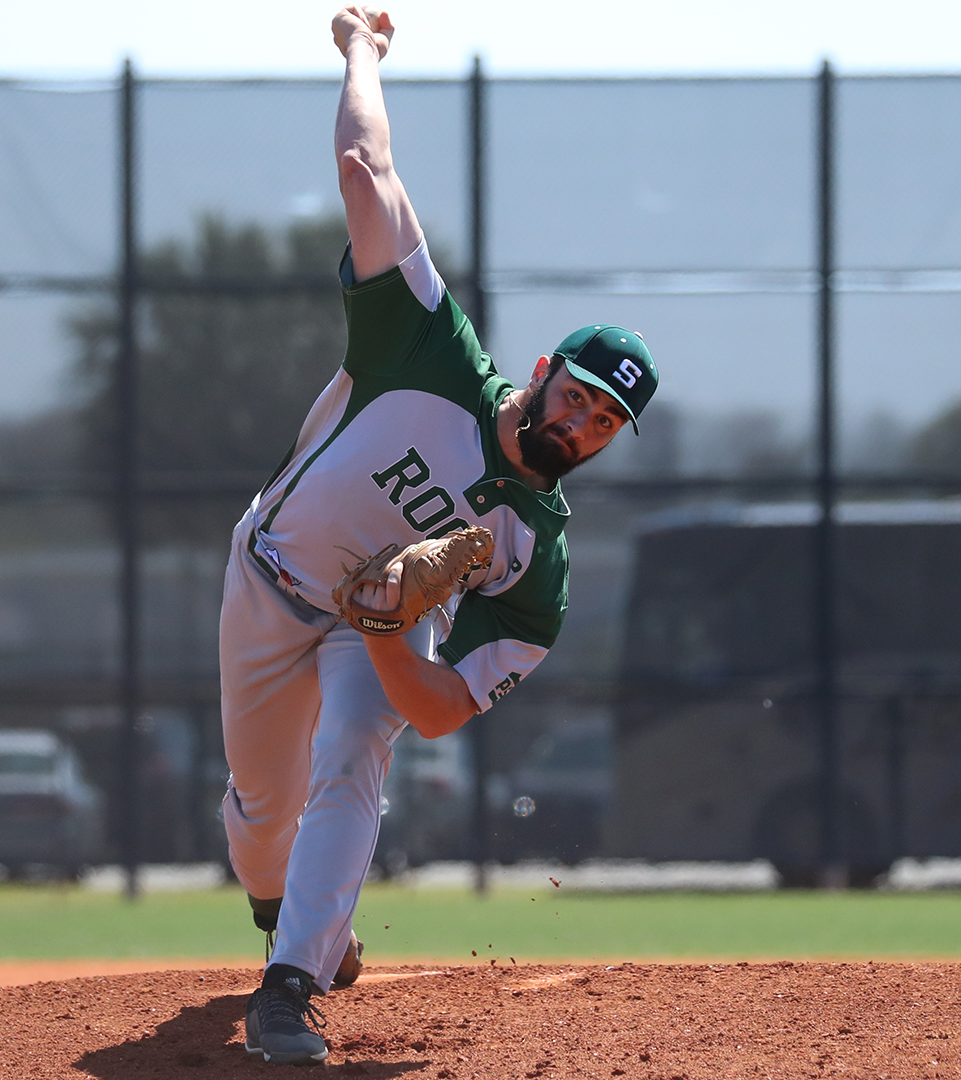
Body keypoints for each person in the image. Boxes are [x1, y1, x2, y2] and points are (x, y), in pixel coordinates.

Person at [222, 5, 660, 1066]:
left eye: (606, 421)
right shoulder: (431, 346)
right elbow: (364, 171)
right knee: (262, 817)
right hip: (270, 576)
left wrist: (383, 627)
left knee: (354, 756)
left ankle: (289, 988)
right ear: (546, 370)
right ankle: (285, 910)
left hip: (370, 631)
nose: (583, 424)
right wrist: (361, 50)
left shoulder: (535, 558)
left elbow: (439, 709)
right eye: (580, 395)